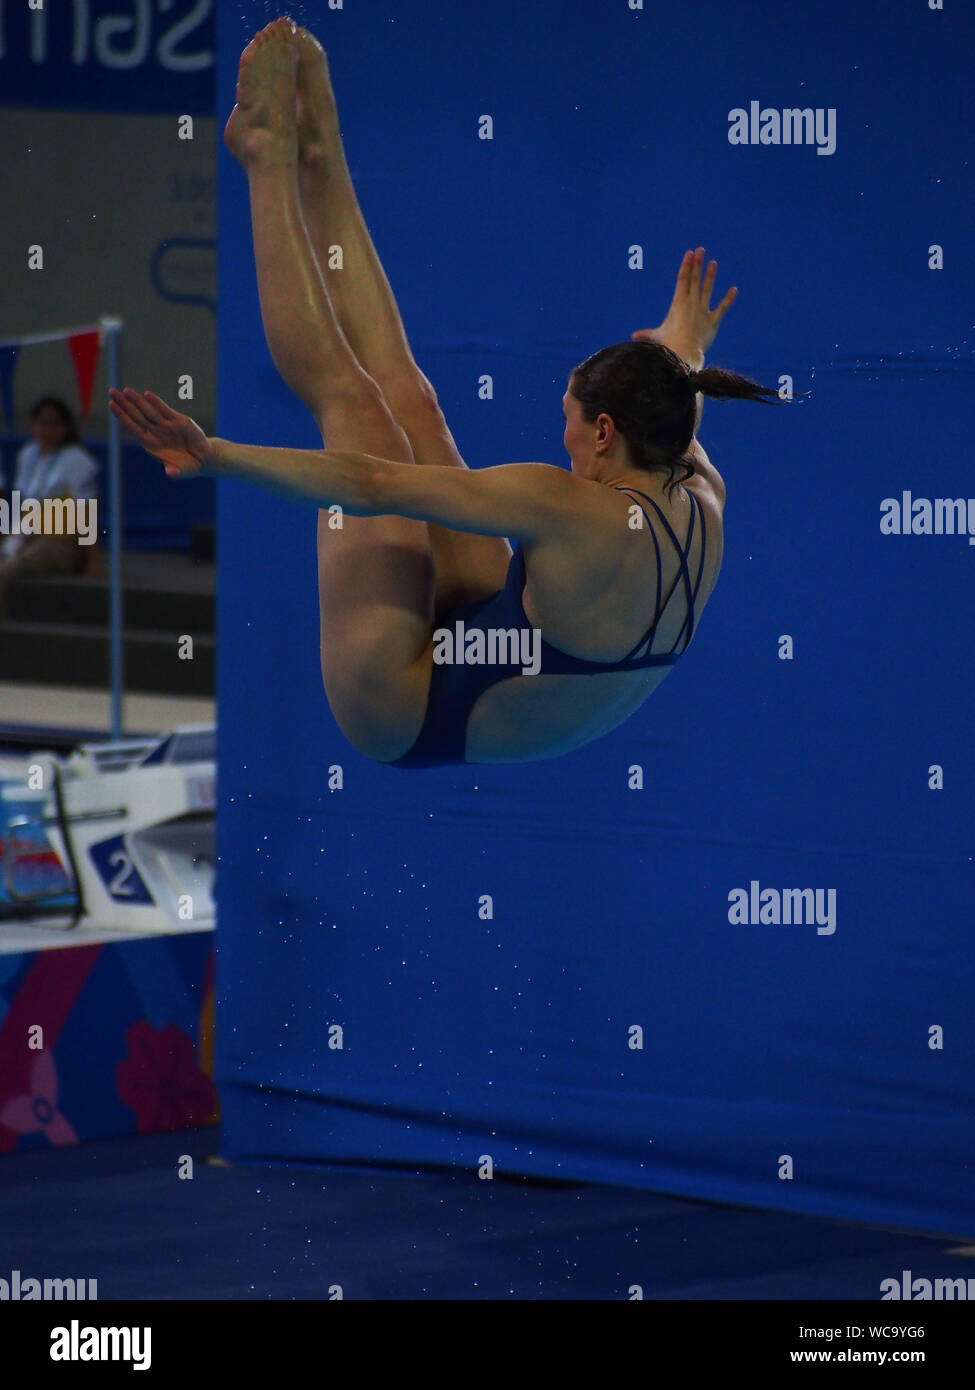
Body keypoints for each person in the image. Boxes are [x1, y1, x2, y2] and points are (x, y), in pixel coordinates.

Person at [110, 17, 781, 768]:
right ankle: (320, 150)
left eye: (565, 417)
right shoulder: (699, 488)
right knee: (410, 396)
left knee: (354, 405)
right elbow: (673, 379)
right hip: (496, 643)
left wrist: (214, 455)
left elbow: (370, 484)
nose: (558, 435)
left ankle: (265, 160)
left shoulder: (569, 509)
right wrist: (680, 339)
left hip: (408, 707)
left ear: (601, 433)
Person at [0, 396, 100, 619]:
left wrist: (93, 561)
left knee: (4, 571)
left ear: (65, 427)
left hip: (59, 541)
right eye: (41, 422)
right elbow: (22, 503)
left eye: (53, 423)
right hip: (27, 535)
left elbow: (86, 512)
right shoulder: (28, 455)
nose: (46, 429)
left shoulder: (76, 460)